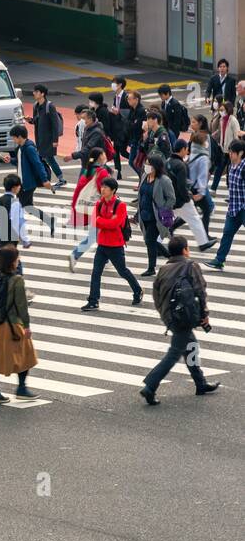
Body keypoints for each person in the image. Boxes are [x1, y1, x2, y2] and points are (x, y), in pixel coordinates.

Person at [141, 237, 218, 404]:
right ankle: (150, 386)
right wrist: (204, 313)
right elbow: (200, 291)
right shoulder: (191, 266)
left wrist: (165, 315)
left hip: (171, 316)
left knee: (191, 346)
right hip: (185, 316)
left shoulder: (164, 269)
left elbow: (156, 294)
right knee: (175, 353)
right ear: (185, 250)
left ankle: (200, 383)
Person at [0, 246, 39, 404]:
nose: (18, 260)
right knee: (26, 355)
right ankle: (22, 388)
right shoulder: (17, 280)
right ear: (12, 262)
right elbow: (22, 306)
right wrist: (27, 326)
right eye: (17, 258)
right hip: (12, 326)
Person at [81, 177, 143, 312]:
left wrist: (101, 220)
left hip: (115, 245)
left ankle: (138, 290)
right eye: (102, 187)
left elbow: (115, 224)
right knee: (96, 272)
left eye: (106, 188)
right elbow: (94, 221)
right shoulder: (99, 204)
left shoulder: (120, 205)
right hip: (102, 243)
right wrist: (105, 221)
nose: (102, 189)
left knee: (122, 271)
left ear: (113, 190)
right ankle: (93, 300)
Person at [66, 149, 112, 271]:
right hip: (99, 209)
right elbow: (105, 190)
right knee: (95, 236)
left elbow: (78, 189)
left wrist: (74, 206)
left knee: (101, 235)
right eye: (103, 154)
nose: (105, 155)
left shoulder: (87, 170)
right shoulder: (102, 172)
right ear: (99, 157)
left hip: (90, 208)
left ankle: (106, 260)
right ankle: (75, 255)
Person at [202, 138, 245, 269]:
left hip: (243, 208)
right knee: (227, 233)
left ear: (240, 153)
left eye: (232, 152)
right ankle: (219, 260)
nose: (230, 154)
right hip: (233, 208)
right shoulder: (231, 165)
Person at [137, 154, 176, 275]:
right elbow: (141, 195)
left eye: (149, 164)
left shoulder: (164, 180)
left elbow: (172, 199)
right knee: (150, 241)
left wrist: (163, 209)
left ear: (155, 166)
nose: (146, 166)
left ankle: (151, 268)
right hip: (144, 215)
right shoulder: (144, 176)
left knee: (150, 240)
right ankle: (170, 256)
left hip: (156, 217)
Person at [3, 124, 51, 212]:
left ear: (20, 137)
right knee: (28, 207)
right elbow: (20, 162)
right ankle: (49, 220)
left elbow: (38, 164)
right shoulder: (21, 148)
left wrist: (45, 180)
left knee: (17, 208)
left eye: (14, 137)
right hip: (23, 182)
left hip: (27, 184)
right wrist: (11, 160)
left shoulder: (29, 148)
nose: (13, 140)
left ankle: (14, 225)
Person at [25, 84, 66, 187]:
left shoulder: (50, 106)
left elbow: (55, 124)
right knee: (46, 158)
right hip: (39, 138)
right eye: (34, 91)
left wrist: (55, 140)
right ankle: (50, 178)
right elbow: (36, 121)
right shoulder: (36, 106)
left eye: (36, 91)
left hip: (49, 138)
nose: (34, 93)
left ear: (42, 94)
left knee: (48, 159)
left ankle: (59, 179)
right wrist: (29, 120)